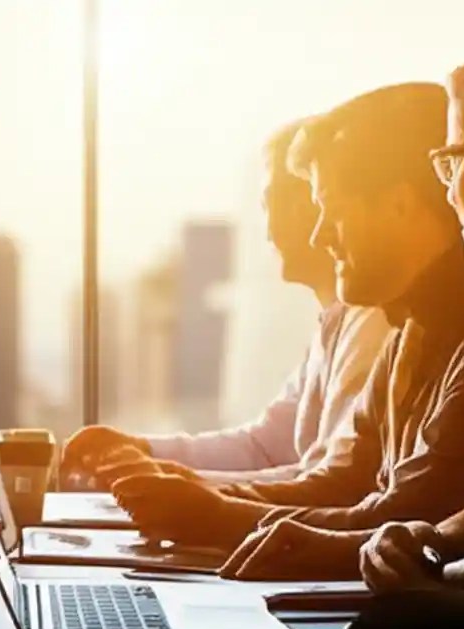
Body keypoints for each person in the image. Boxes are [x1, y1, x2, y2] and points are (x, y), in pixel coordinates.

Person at [111, 81, 464, 581]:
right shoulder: (408, 331)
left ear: (398, 205)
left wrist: (219, 513)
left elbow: (404, 514)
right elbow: (346, 481)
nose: (317, 234)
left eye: (332, 207)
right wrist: (208, 499)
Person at [60, 119, 390, 489]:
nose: (268, 230)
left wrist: (176, 484)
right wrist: (145, 451)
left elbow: (330, 484)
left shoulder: (374, 326)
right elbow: (265, 446)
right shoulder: (337, 323)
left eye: (274, 205)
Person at [359, 55, 464, 594]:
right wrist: (438, 537)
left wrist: (427, 601)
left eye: (456, 157)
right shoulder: (406, 331)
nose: (450, 189)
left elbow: (416, 494)